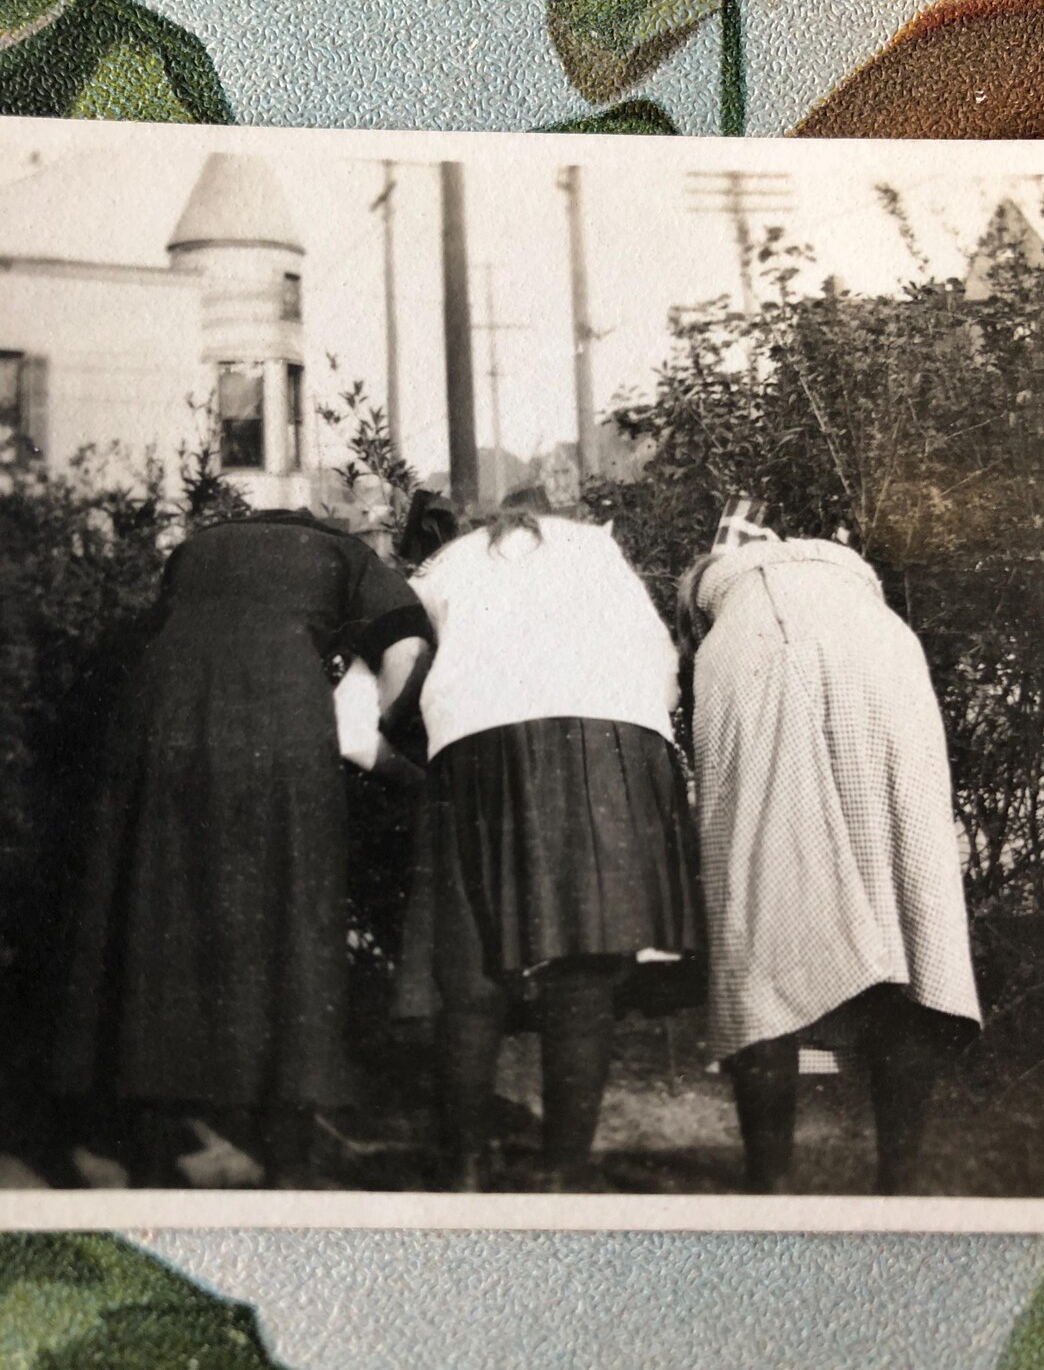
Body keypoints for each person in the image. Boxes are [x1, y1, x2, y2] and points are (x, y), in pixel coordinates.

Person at [52, 507, 431, 1187]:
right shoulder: (350, 557)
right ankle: (286, 1137)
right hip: (277, 715)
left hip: (160, 714)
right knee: (294, 907)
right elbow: (408, 649)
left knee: (163, 906)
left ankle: (154, 1130)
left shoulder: (197, 550)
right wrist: (392, 732)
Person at [677, 499, 982, 1194]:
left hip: (758, 659)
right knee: (903, 907)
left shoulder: (725, 600)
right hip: (885, 658)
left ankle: (769, 1181)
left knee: (758, 910)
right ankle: (899, 1181)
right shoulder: (848, 583)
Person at [406, 485, 702, 1191]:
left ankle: (465, 1169)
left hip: (476, 743)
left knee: (470, 968)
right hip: (608, 740)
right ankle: (566, 1170)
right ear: (561, 520)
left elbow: (408, 660)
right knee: (585, 965)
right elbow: (664, 678)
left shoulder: (451, 560)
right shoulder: (597, 550)